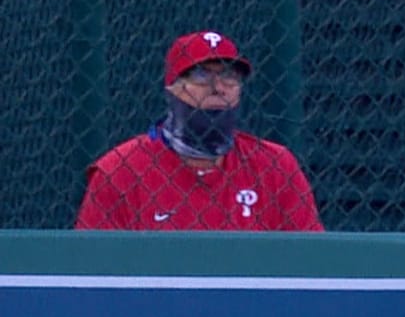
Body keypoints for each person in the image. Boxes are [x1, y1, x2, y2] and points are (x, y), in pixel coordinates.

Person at [75, 31, 323, 231]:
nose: (218, 88)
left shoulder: (275, 166)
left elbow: (311, 261)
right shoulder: (119, 172)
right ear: (173, 89)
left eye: (229, 76)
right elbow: (92, 267)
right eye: (202, 76)